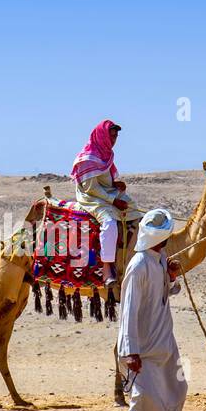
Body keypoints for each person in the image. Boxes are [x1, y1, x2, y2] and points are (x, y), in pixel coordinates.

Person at [116, 208, 190, 411]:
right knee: (143, 397)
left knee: (175, 391)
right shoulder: (138, 266)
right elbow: (128, 310)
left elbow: (162, 295)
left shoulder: (160, 258)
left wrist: (170, 277)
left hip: (165, 342)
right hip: (143, 346)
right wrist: (130, 351)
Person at [71, 119, 141, 286]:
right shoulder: (87, 158)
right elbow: (91, 188)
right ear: (102, 136)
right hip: (91, 197)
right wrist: (113, 200)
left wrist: (116, 185)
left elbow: (105, 180)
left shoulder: (106, 153)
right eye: (112, 136)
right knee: (108, 222)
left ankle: (126, 251)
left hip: (106, 192)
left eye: (116, 136)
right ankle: (107, 267)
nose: (114, 140)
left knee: (134, 209)